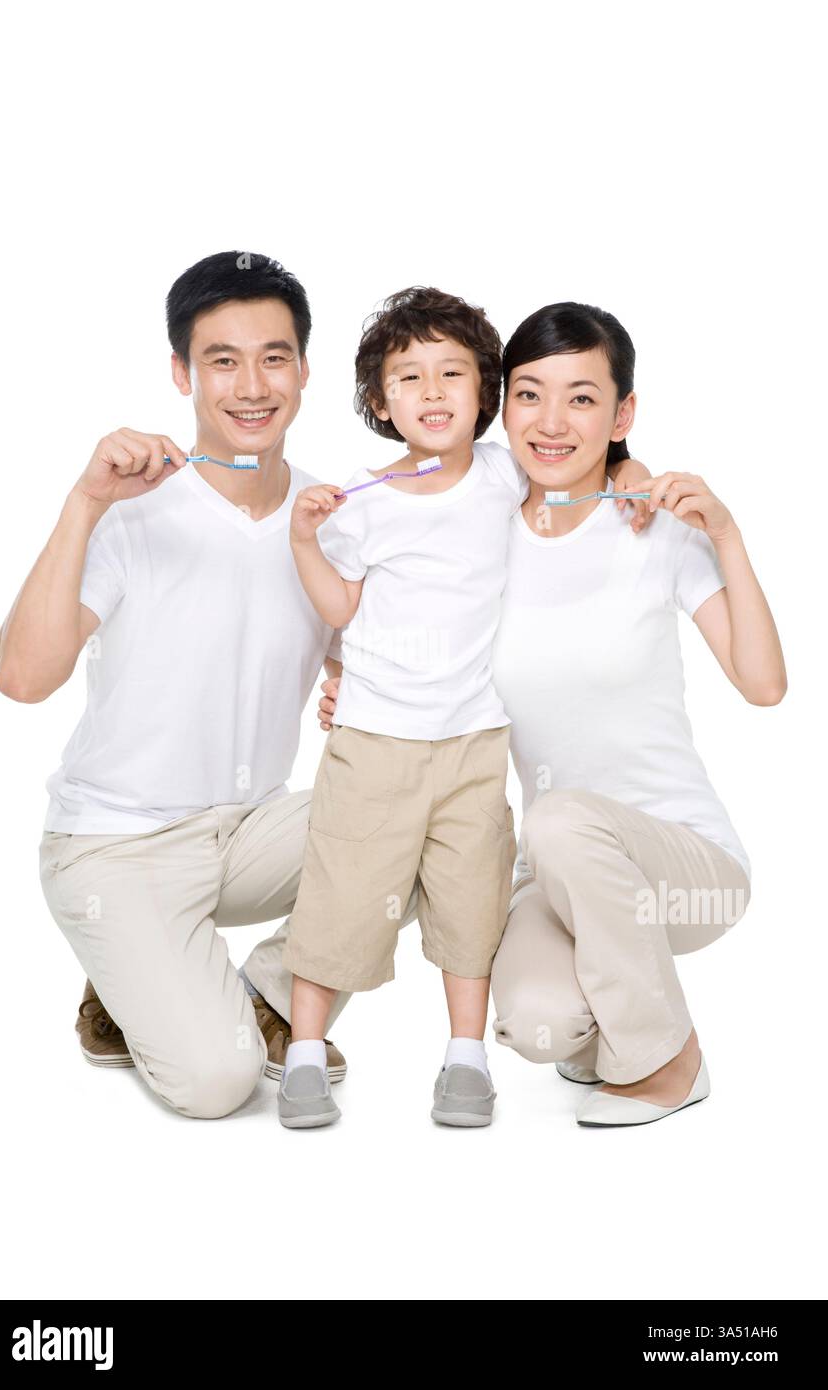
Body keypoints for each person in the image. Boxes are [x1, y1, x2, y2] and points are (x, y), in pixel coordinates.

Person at [0, 251, 358, 1118]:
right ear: (181, 373)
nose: (251, 385)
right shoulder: (128, 507)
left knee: (435, 813)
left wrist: (349, 681)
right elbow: (21, 677)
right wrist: (84, 505)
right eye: (221, 360)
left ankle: (271, 995)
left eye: (273, 357)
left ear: (304, 371)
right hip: (116, 846)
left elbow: (362, 646)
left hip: (247, 833)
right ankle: (126, 982)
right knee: (216, 1084)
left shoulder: (331, 518)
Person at [278, 287, 651, 1130]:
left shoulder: (502, 472)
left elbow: (583, 459)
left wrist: (633, 468)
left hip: (476, 743)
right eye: (410, 377)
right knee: (341, 892)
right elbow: (337, 610)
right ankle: (303, 1054)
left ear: (487, 393)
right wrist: (303, 540)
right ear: (381, 402)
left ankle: (465, 1057)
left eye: (454, 373)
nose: (435, 391)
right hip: (375, 738)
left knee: (471, 900)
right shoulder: (362, 500)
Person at [488, 302, 786, 1126]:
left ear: (622, 414)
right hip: (554, 874)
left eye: (582, 398)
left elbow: (764, 685)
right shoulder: (480, 530)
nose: (552, 421)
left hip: (686, 867)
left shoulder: (653, 528)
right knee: (541, 1024)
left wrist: (725, 533)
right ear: (503, 405)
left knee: (556, 819)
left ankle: (667, 1056)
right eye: (529, 394)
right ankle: (607, 1026)